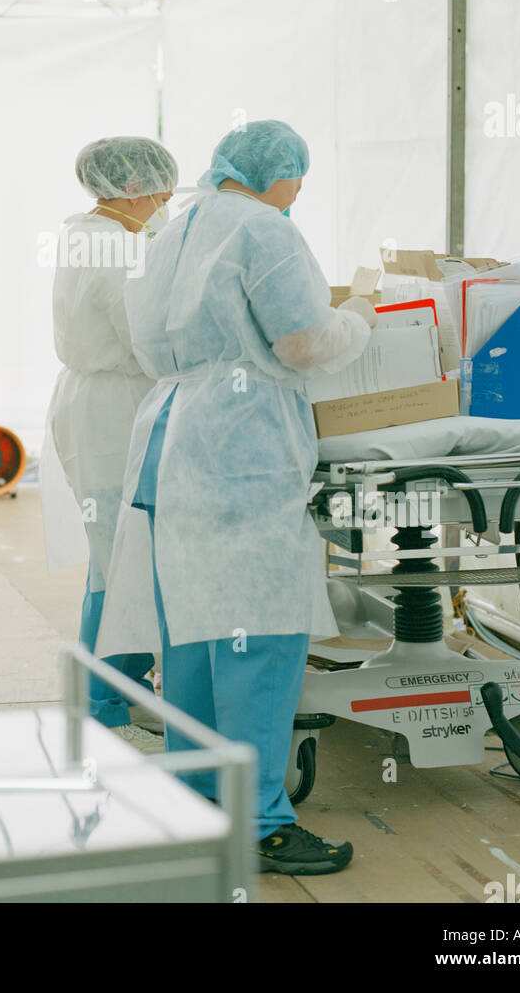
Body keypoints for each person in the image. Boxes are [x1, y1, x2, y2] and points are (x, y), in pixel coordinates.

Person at [96, 120, 377, 874]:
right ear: (274, 175)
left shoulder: (168, 233)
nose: (297, 194)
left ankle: (196, 801)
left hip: (169, 438)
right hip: (239, 446)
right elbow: (302, 344)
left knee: (191, 633)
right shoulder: (264, 230)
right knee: (257, 632)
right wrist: (362, 317)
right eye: (298, 179)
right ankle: (258, 822)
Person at [41, 135, 178, 748]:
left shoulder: (89, 233)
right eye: (160, 190)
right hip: (112, 409)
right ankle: (104, 696)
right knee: (125, 558)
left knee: (115, 554)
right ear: (133, 189)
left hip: (94, 400)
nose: (167, 200)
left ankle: (110, 689)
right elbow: (146, 337)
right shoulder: (118, 249)